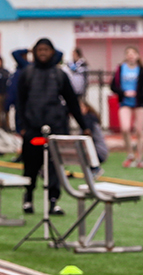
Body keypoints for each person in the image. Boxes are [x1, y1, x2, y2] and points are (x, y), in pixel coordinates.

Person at [16, 38, 88, 216]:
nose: (43, 53)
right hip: (33, 130)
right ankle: (28, 198)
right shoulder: (27, 73)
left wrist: (84, 126)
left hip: (56, 129)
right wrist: (21, 127)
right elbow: (20, 103)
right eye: (39, 50)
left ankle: (53, 201)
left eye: (46, 50)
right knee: (31, 166)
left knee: (55, 166)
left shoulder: (60, 75)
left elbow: (72, 102)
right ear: (34, 52)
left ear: (52, 52)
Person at [111, 46, 143, 167]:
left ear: (138, 56)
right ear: (125, 56)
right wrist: (124, 93)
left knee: (139, 131)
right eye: (128, 53)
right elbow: (113, 86)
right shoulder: (120, 69)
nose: (131, 56)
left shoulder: (142, 70)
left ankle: (139, 157)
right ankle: (130, 154)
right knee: (125, 128)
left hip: (139, 103)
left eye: (133, 53)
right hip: (125, 102)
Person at [80, 99, 108, 178]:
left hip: (99, 152)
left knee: (83, 147)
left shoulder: (89, 119)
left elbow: (87, 135)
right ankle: (91, 169)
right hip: (98, 151)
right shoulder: (89, 118)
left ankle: (95, 168)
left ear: (86, 108)